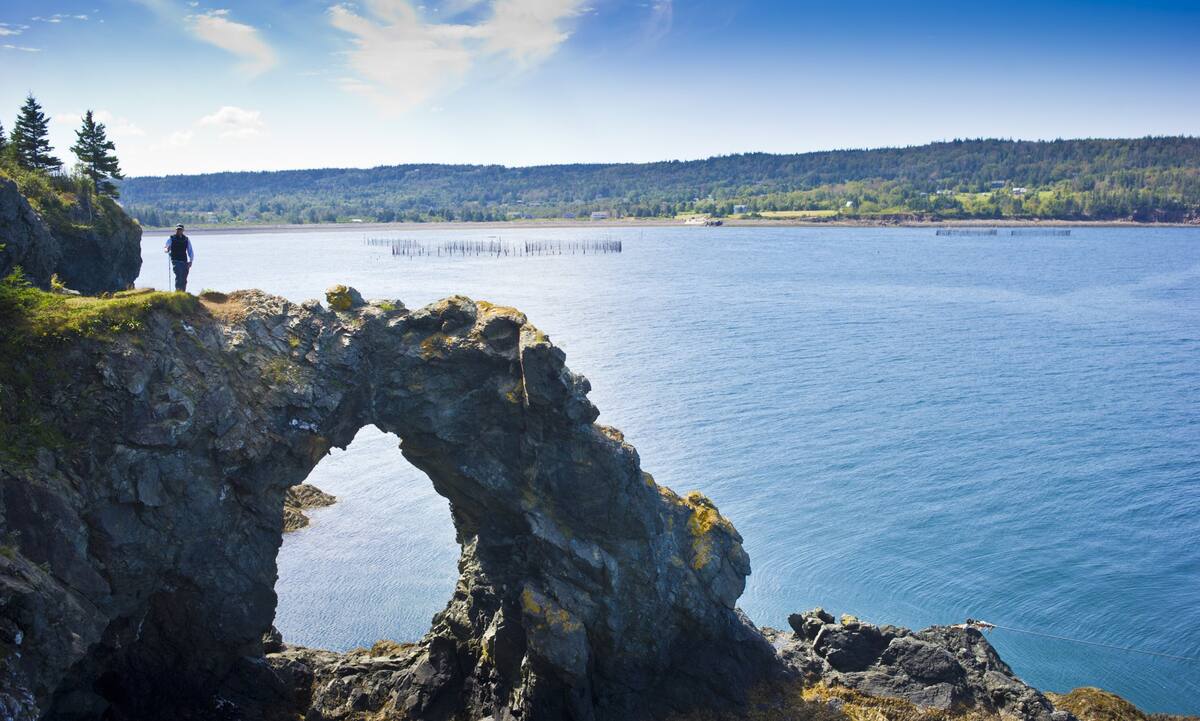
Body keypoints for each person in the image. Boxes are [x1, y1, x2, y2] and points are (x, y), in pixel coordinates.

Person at [165, 224, 194, 292]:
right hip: (175, 260)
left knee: (184, 277)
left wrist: (191, 261)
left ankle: (183, 292)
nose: (179, 231)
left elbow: (190, 250)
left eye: (180, 229)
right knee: (179, 275)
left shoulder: (186, 239)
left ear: (183, 230)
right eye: (178, 229)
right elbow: (166, 247)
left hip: (184, 260)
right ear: (176, 230)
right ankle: (178, 291)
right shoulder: (171, 238)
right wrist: (167, 250)